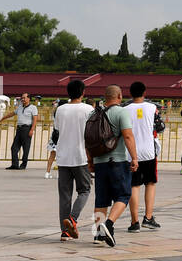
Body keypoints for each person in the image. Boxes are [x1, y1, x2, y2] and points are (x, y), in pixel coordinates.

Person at [88, 85, 138, 248]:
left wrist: (90, 161)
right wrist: (135, 158)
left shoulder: (94, 113)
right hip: (117, 160)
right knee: (123, 195)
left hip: (99, 162)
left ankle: (98, 235)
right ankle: (108, 225)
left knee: (101, 199)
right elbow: (128, 136)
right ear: (119, 96)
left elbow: (88, 139)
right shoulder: (121, 112)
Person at [53, 79, 94, 242]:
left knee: (64, 195)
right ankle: (73, 219)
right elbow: (91, 134)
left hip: (63, 156)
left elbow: (57, 131)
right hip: (81, 156)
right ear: (83, 92)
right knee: (84, 190)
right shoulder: (88, 109)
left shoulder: (60, 110)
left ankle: (65, 231)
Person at [126, 81, 161, 231]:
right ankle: (148, 217)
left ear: (130, 93)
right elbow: (160, 127)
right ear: (144, 92)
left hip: (130, 153)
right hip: (148, 152)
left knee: (134, 186)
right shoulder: (152, 108)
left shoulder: (125, 109)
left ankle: (134, 222)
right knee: (150, 183)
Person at [7, 93, 37, 170]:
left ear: (29, 98)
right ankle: (15, 165)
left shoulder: (33, 108)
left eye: (24, 98)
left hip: (27, 129)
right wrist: (3, 118)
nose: (22, 99)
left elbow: (35, 119)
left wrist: (32, 130)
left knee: (25, 148)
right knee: (14, 148)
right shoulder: (19, 107)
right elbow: (12, 114)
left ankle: (23, 164)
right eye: (22, 98)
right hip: (19, 129)